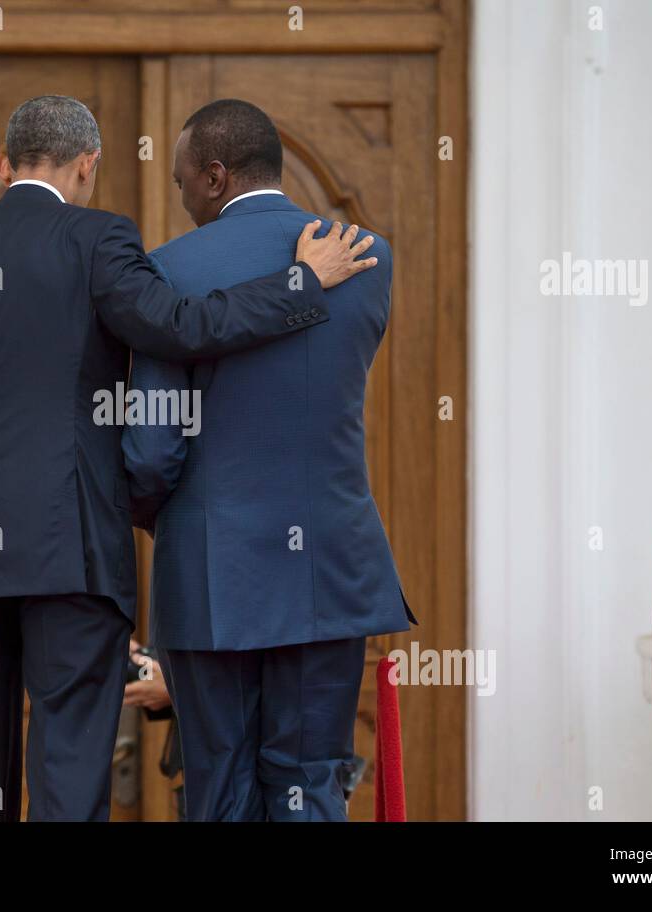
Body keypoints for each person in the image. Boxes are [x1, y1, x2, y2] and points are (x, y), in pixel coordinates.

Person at [0, 95, 377, 821]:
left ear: (1, 166)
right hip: (70, 549)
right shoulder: (99, 239)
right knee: (70, 779)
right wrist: (299, 283)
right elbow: (181, 327)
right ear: (88, 165)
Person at [122, 99, 414, 822]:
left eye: (185, 180)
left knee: (217, 787)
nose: (182, 197)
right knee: (312, 782)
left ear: (216, 175)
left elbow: (154, 447)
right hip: (330, 564)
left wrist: (172, 520)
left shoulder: (167, 271)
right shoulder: (368, 256)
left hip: (213, 568)